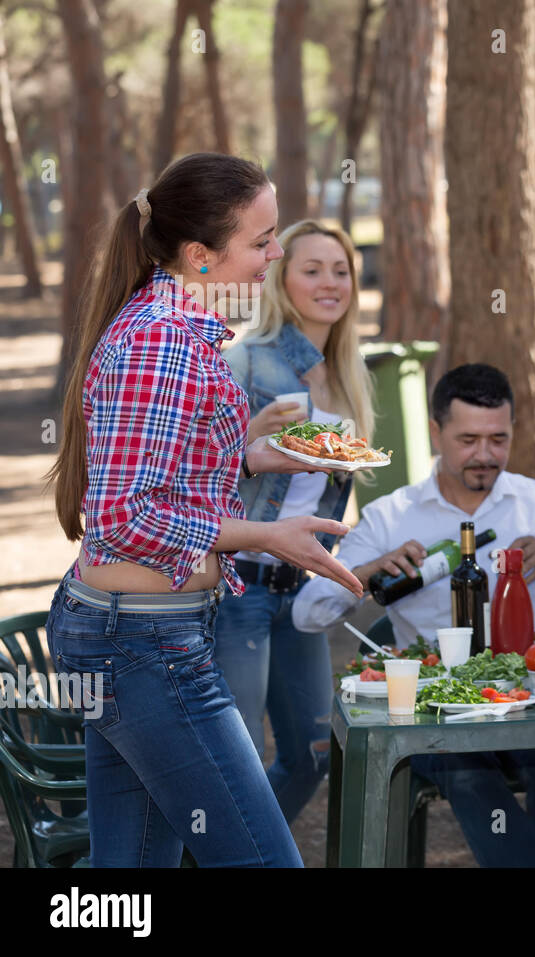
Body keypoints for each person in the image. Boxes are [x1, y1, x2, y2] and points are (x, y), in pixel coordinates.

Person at [44, 153, 365, 867]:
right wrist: (267, 534)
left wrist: (250, 456)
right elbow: (125, 516)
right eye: (262, 240)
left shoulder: (182, 328)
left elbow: (161, 473)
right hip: (142, 650)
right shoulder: (161, 341)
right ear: (200, 254)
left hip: (136, 637)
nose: (276, 254)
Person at [294, 364, 535, 867]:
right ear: (436, 432)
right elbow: (307, 615)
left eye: (498, 438)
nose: (485, 455)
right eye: (468, 439)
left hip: (532, 696)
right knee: (465, 770)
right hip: (441, 705)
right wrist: (368, 572)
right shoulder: (393, 515)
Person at [212, 220, 376, 827]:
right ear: (283, 278)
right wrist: (251, 439)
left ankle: (235, 852)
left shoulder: (347, 373)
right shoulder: (245, 361)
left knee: (311, 757)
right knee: (240, 762)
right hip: (240, 588)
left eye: (341, 270)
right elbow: (197, 475)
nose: (330, 283)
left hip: (300, 590)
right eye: (313, 269)